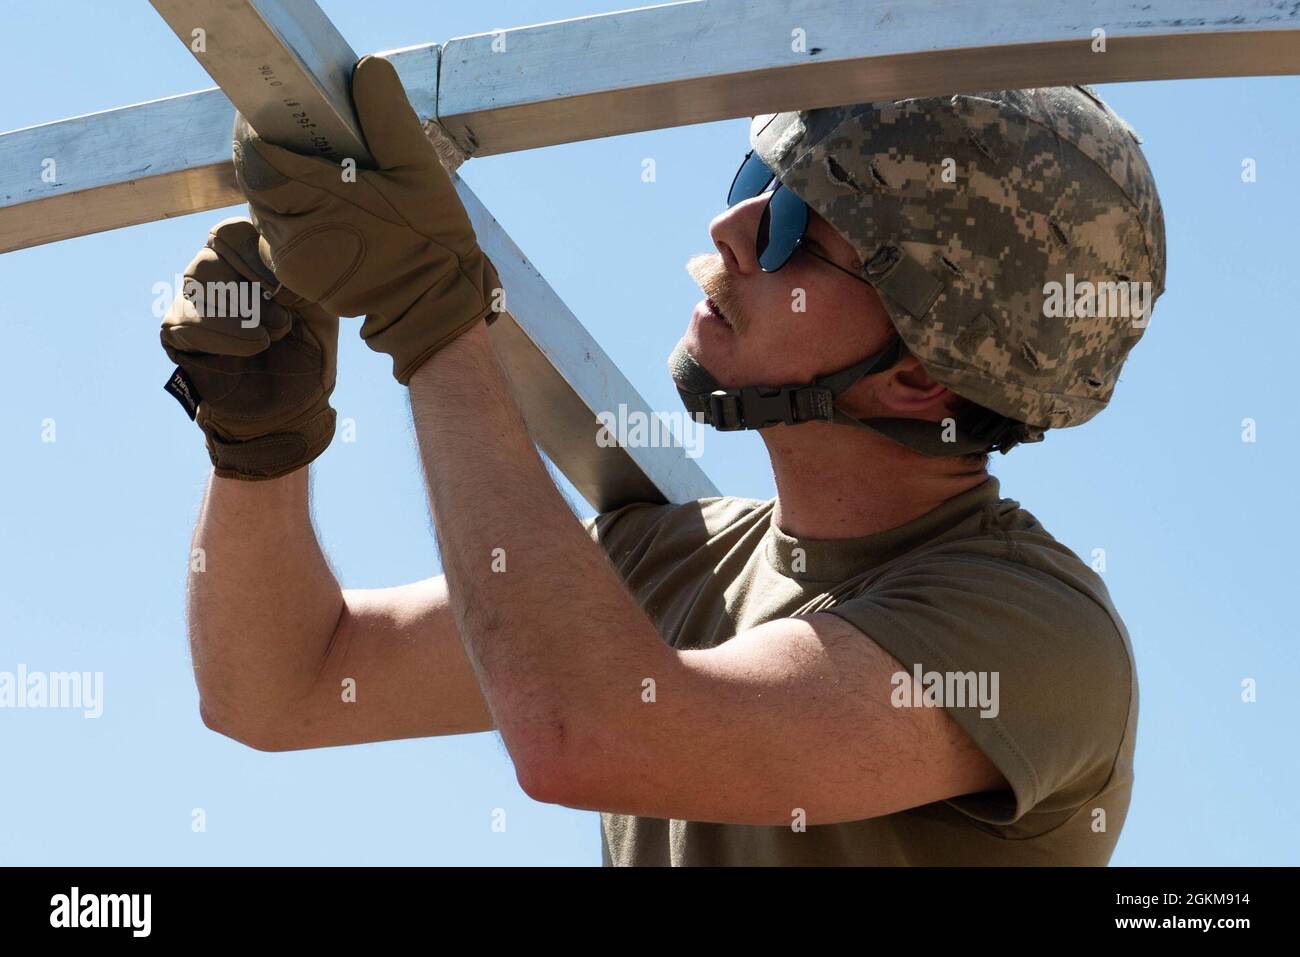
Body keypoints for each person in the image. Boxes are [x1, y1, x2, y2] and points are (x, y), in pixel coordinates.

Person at [160, 56, 1165, 865]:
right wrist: (262, 442)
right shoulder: (668, 564)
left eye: (788, 231)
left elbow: (588, 736)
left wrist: (431, 319)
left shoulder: (1032, 638)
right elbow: (282, 687)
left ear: (923, 376)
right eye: (755, 184)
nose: (727, 230)